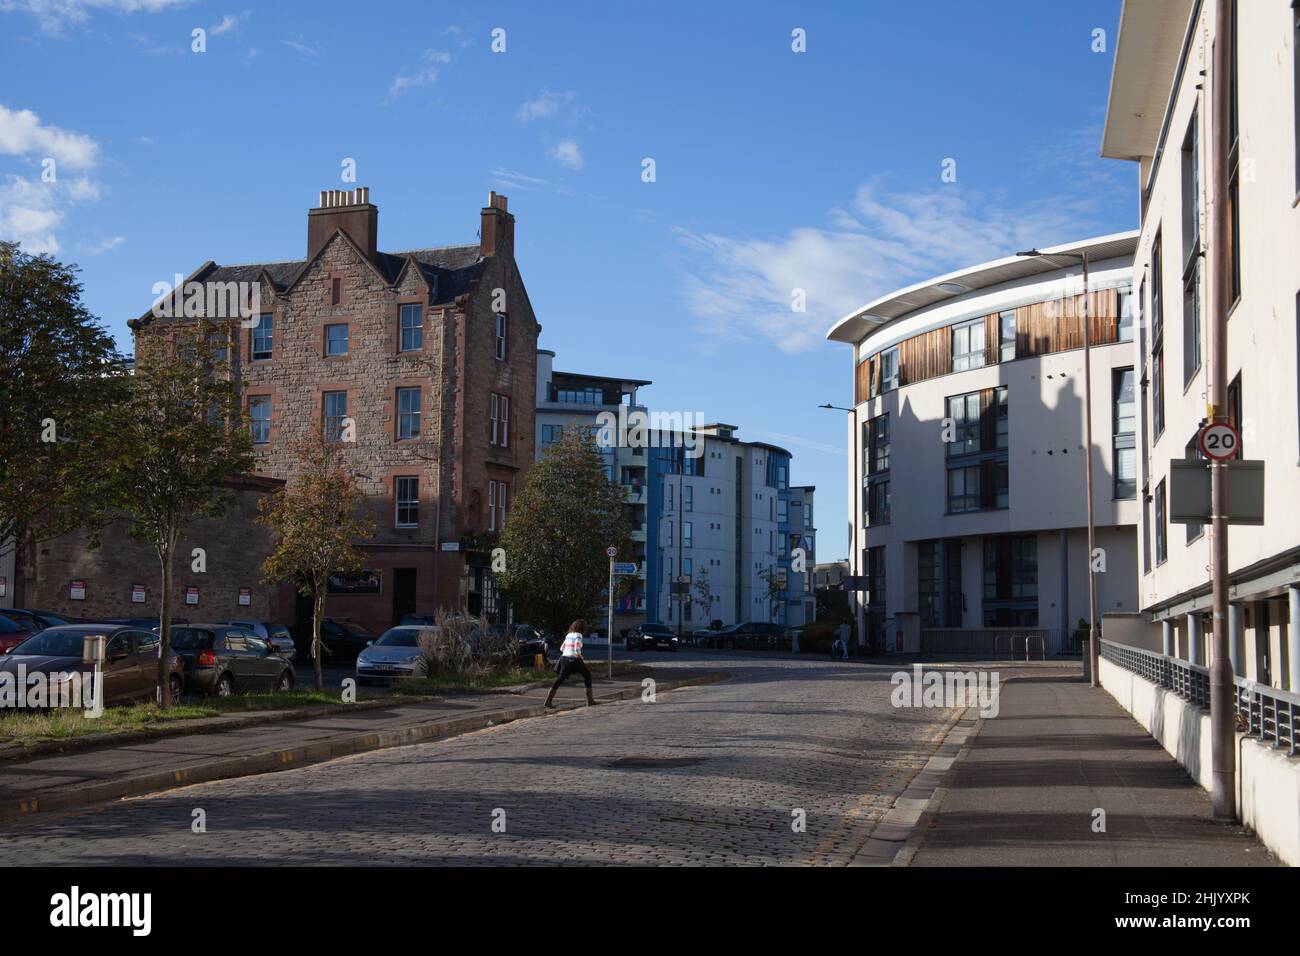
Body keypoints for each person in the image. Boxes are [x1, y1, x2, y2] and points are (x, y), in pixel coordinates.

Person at [545, 618, 598, 708]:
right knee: (587, 675)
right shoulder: (579, 635)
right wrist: (579, 654)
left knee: (560, 679)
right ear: (582, 628)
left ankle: (548, 701)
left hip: (564, 658)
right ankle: (589, 700)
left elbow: (562, 648)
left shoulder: (569, 635)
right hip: (574, 659)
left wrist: (568, 651)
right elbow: (577, 646)